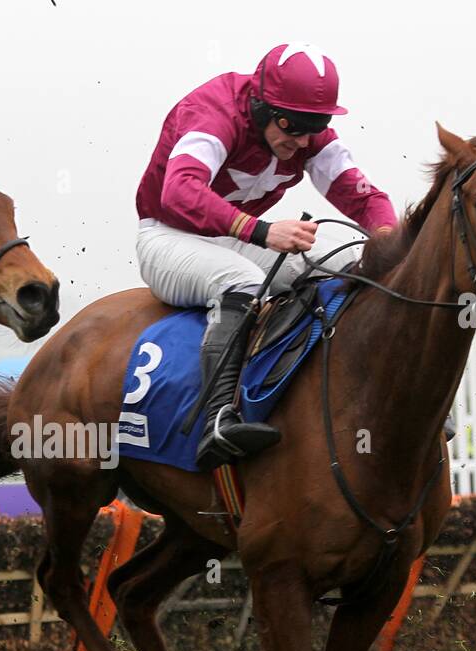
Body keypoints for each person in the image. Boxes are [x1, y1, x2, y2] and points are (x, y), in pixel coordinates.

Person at [135, 43, 397, 470]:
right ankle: (217, 419)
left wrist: (388, 243)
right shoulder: (215, 112)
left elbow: (364, 196)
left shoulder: (305, 134)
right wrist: (260, 230)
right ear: (259, 106)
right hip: (167, 235)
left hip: (232, 238)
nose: (301, 141)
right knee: (242, 281)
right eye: (291, 126)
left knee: (350, 265)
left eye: (315, 127)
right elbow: (179, 191)